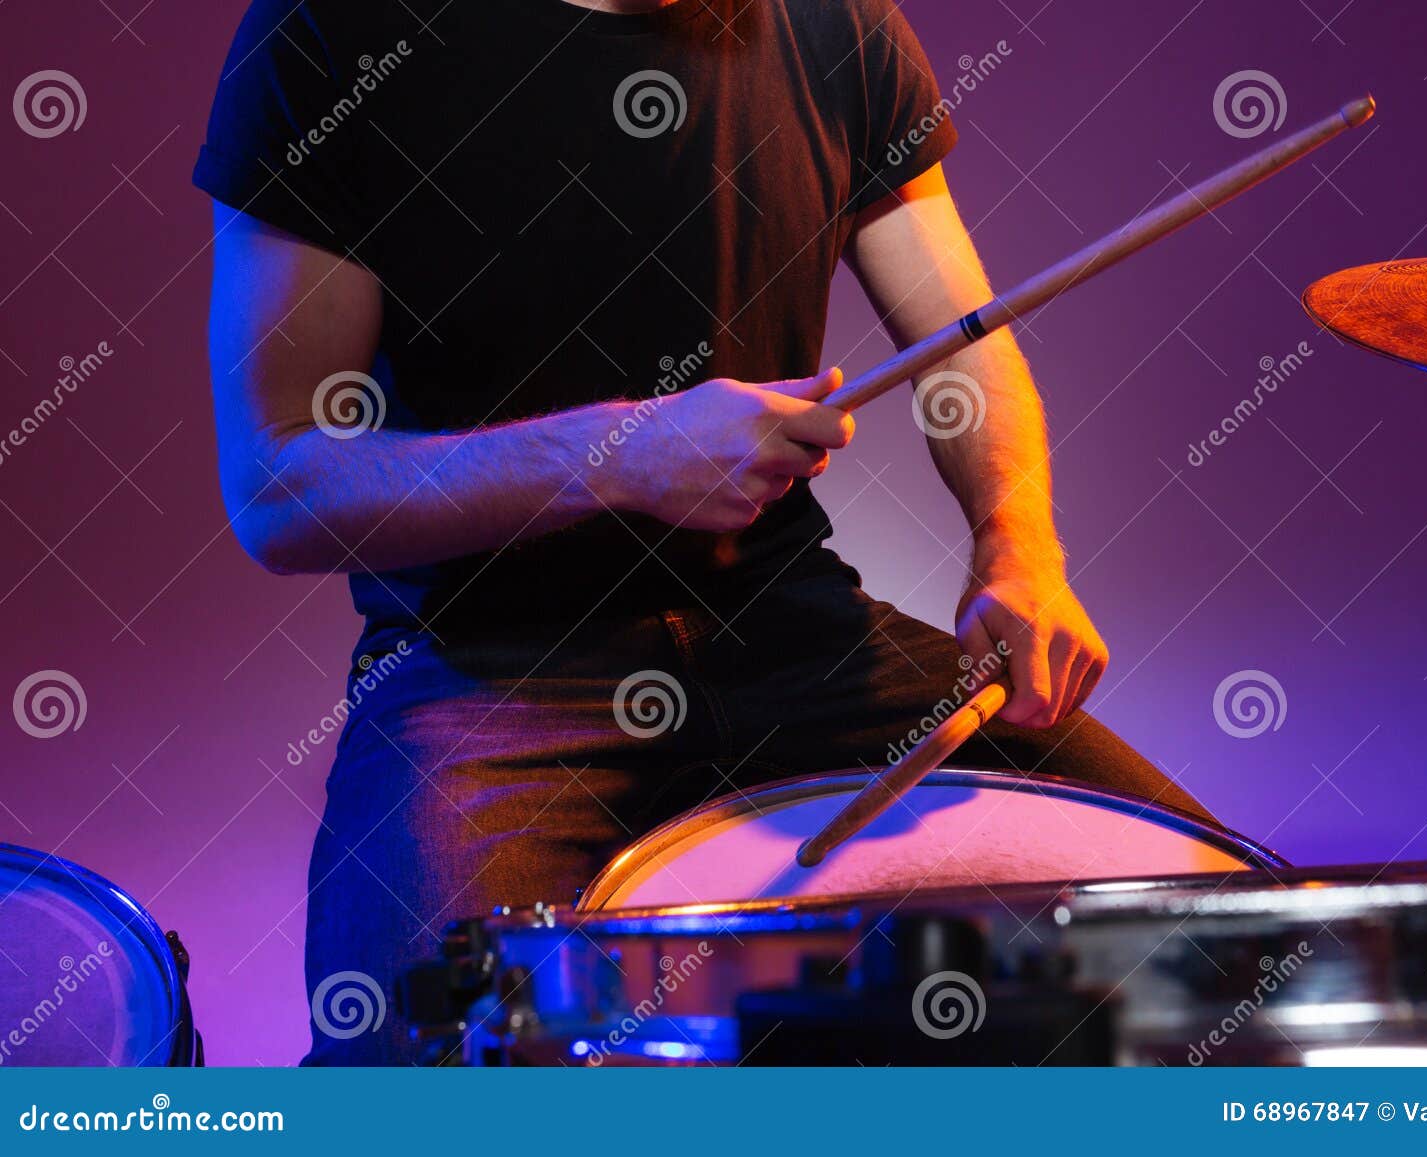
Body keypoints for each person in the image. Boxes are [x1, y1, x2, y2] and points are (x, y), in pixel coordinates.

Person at [196, 0, 1210, 1065]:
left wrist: (1019, 549)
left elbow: (963, 344)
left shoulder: (839, 24)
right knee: (429, 1055)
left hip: (799, 634)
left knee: (1231, 945)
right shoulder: (331, 33)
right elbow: (280, 484)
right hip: (485, 669)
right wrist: (624, 453)